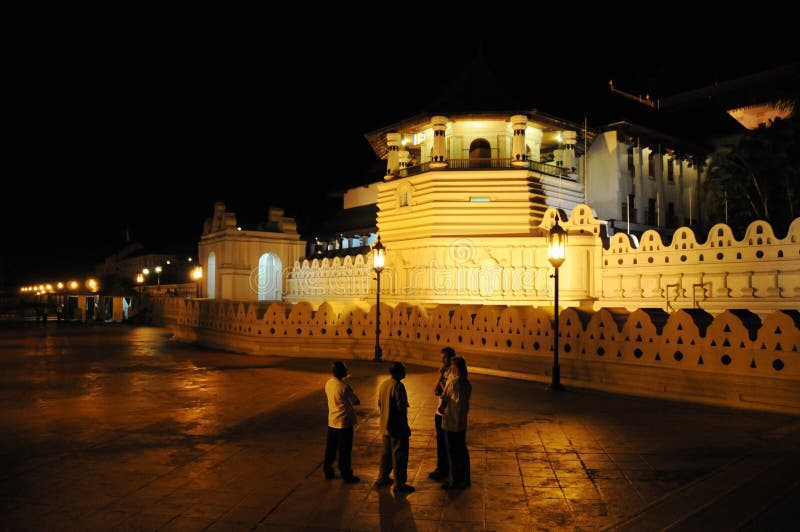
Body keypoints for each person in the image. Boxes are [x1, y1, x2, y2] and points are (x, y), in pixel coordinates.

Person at [376, 362, 415, 493]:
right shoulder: (398, 386)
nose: (405, 373)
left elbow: (380, 403)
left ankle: (383, 477)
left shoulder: (384, 384)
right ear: (398, 373)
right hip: (397, 428)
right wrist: (405, 426)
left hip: (385, 426)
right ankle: (399, 483)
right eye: (403, 371)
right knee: (399, 455)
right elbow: (401, 409)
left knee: (386, 454)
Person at [323, 361, 361, 483]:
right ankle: (346, 473)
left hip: (332, 421)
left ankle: (328, 470)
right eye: (345, 369)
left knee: (331, 449)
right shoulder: (344, 386)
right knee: (345, 450)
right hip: (344, 423)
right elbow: (356, 401)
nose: (346, 371)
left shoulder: (328, 383)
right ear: (341, 372)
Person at [439, 356, 471, 489]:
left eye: (452, 368)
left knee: (452, 453)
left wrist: (441, 409)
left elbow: (445, 399)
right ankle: (465, 477)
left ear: (456, 369)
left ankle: (453, 480)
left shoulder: (453, 383)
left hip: (451, 422)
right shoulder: (467, 384)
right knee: (462, 450)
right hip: (461, 422)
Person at [429, 347, 455, 481]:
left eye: (444, 358)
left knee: (446, 442)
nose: (442, 360)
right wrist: (440, 376)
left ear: (450, 359)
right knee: (440, 442)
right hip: (439, 412)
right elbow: (435, 390)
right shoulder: (444, 372)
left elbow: (447, 393)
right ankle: (441, 467)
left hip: (446, 412)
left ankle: (445, 469)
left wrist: (441, 384)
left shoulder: (452, 374)